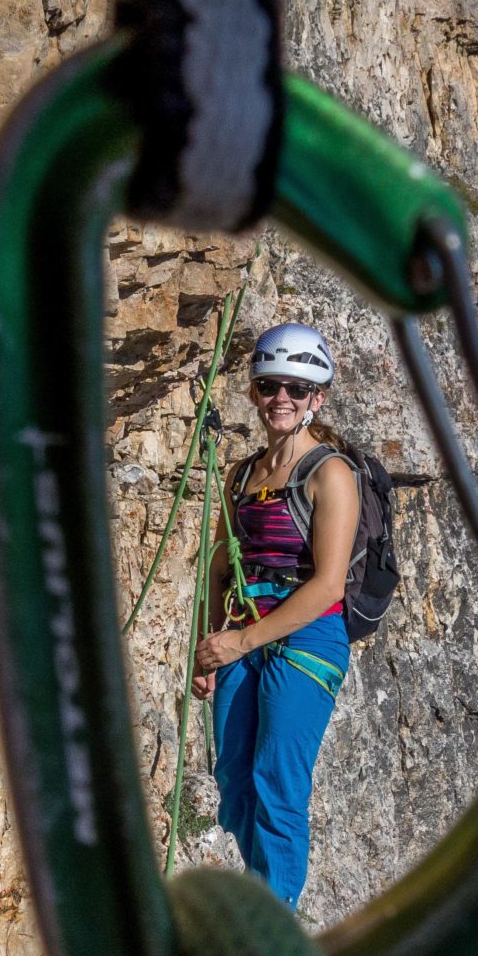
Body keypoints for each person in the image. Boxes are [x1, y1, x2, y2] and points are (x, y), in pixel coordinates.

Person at [192, 322, 358, 910]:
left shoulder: (330, 474)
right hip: (243, 631)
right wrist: (211, 647)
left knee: (277, 785)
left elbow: (328, 584)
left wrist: (239, 643)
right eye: (268, 387)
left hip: (308, 637)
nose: (279, 400)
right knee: (235, 783)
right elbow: (220, 563)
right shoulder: (240, 475)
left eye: (293, 388)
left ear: (316, 396)